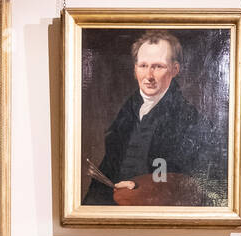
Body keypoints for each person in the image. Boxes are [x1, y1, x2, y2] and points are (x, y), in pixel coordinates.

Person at [83, 31, 226, 207]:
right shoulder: (125, 115)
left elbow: (200, 189)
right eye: (143, 66)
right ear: (135, 69)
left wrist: (142, 190)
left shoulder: (192, 121)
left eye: (158, 67)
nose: (149, 76)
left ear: (175, 69)